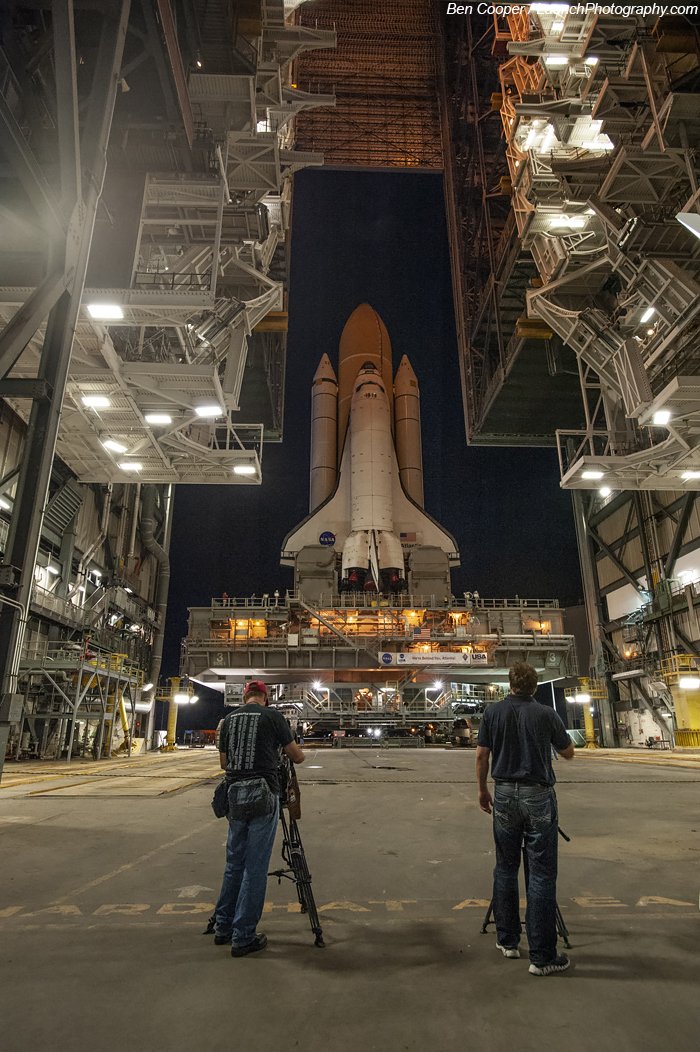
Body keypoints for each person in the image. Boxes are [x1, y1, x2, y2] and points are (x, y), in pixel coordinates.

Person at [476, 661, 575, 976]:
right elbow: (569, 752)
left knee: (505, 868)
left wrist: (482, 790)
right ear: (535, 687)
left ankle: (507, 941)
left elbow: (481, 755)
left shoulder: (493, 713)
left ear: (510, 685)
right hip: (538, 796)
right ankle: (543, 956)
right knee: (542, 875)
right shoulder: (546, 714)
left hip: (503, 794)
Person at [214, 680, 305, 956]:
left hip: (234, 796)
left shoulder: (228, 720)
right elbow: (297, 757)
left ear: (245, 697)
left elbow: (224, 764)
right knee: (256, 868)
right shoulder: (273, 716)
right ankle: (243, 936)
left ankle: (223, 927)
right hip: (263, 794)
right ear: (265, 698)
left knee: (234, 864)